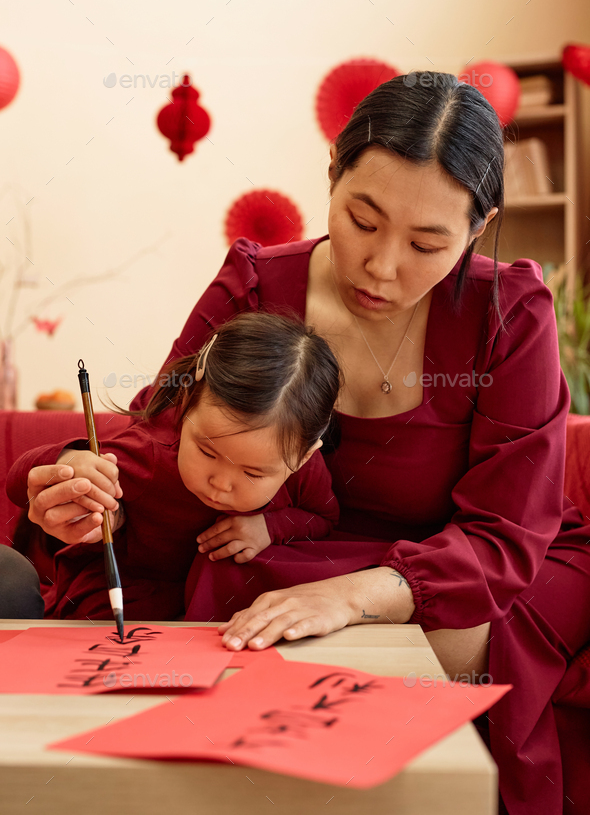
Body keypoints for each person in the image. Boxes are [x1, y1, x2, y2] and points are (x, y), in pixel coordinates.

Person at [16, 72, 590, 815]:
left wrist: (353, 597)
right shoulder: (257, 284)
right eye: (362, 220)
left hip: (477, 564)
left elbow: (507, 531)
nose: (383, 266)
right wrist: (85, 484)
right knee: (228, 583)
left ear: (478, 230)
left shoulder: (510, 313)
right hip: (297, 548)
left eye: (427, 243)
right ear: (332, 177)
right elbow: (163, 437)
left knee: (470, 630)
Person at [7, 312, 341, 621]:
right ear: (185, 405)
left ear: (304, 457)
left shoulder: (300, 464)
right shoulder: (152, 453)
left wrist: (270, 527)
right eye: (207, 452)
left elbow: (324, 517)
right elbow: (18, 484)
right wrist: (68, 460)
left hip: (231, 604)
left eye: (253, 473)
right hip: (132, 593)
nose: (221, 483)